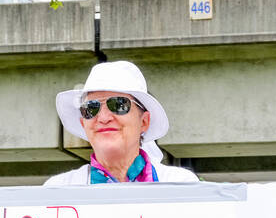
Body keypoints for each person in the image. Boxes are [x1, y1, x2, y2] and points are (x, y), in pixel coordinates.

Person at [45, 60, 198, 185]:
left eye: (118, 105)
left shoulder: (180, 184)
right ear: (84, 124)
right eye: (91, 108)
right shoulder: (58, 189)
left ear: (144, 121)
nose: (104, 118)